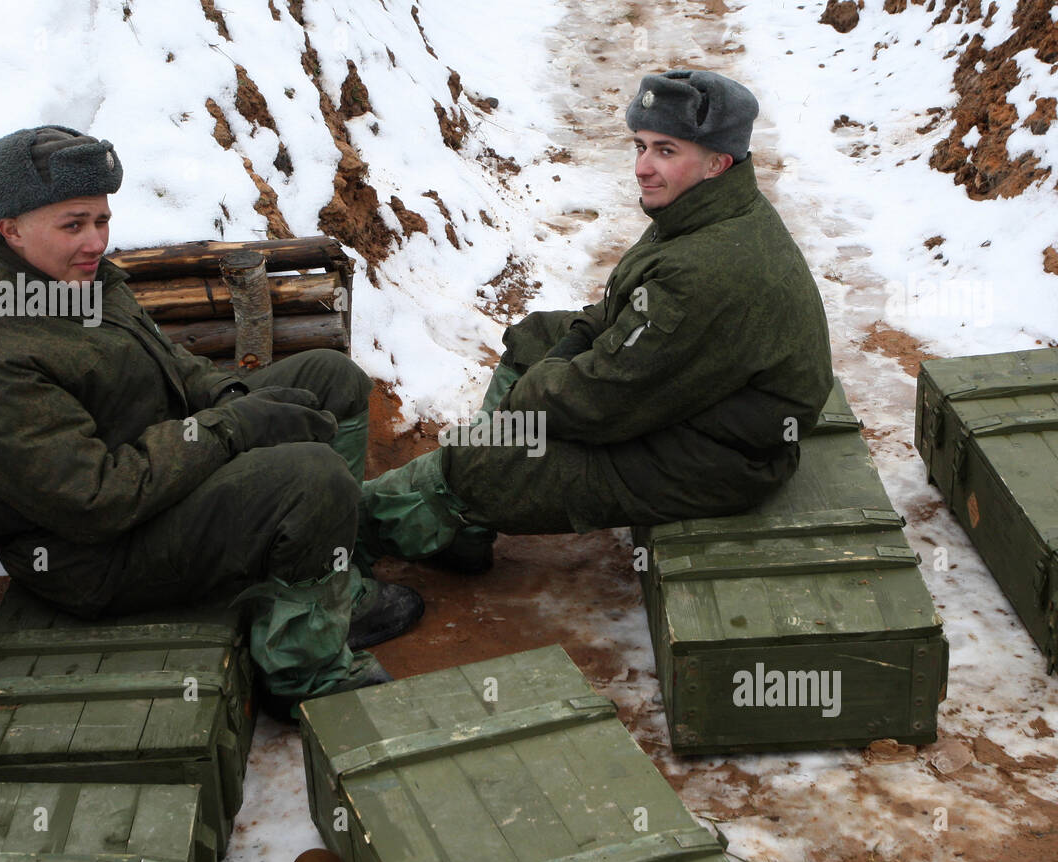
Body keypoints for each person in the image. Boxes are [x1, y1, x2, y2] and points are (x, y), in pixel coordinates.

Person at [0, 125, 422, 715]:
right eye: (73, 224)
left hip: (163, 473)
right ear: (11, 228)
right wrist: (230, 429)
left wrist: (228, 396)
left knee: (331, 379)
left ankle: (331, 584)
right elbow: (94, 498)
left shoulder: (69, 282)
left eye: (101, 220)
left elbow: (175, 367)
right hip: (97, 556)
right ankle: (303, 672)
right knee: (310, 477)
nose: (95, 240)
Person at [357, 70, 834, 568]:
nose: (643, 168)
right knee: (535, 339)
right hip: (700, 407)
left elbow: (602, 401)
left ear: (718, 162)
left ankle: (343, 530)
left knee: (483, 463)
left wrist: (521, 410)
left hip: (720, 458)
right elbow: (620, 310)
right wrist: (559, 359)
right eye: (640, 146)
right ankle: (463, 520)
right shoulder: (708, 209)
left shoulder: (707, 268)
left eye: (666, 151)